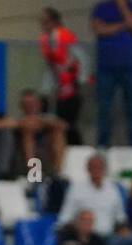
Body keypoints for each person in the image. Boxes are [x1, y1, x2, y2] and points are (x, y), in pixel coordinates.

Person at [91, 0, 132, 147]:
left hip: (131, 67)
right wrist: (124, 25)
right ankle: (103, 146)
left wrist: (122, 7)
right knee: (104, 109)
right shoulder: (101, 8)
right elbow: (99, 30)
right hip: (106, 68)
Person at [38, 7, 85, 145]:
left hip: (69, 85)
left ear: (54, 22)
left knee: (68, 123)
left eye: (46, 22)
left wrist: (77, 80)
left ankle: (75, 149)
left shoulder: (65, 36)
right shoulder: (45, 39)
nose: (44, 25)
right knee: (51, 118)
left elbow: (80, 59)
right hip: (55, 85)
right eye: (42, 22)